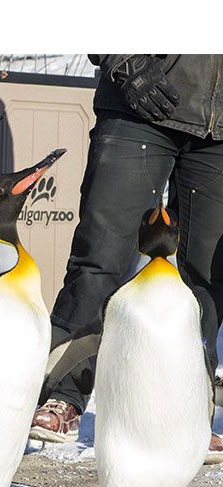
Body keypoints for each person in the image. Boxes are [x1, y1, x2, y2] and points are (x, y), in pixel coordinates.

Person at [31, 54, 223, 462]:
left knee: (206, 281)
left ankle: (190, 414)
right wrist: (127, 60)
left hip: (220, 134)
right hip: (140, 109)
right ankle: (62, 395)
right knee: (102, 258)